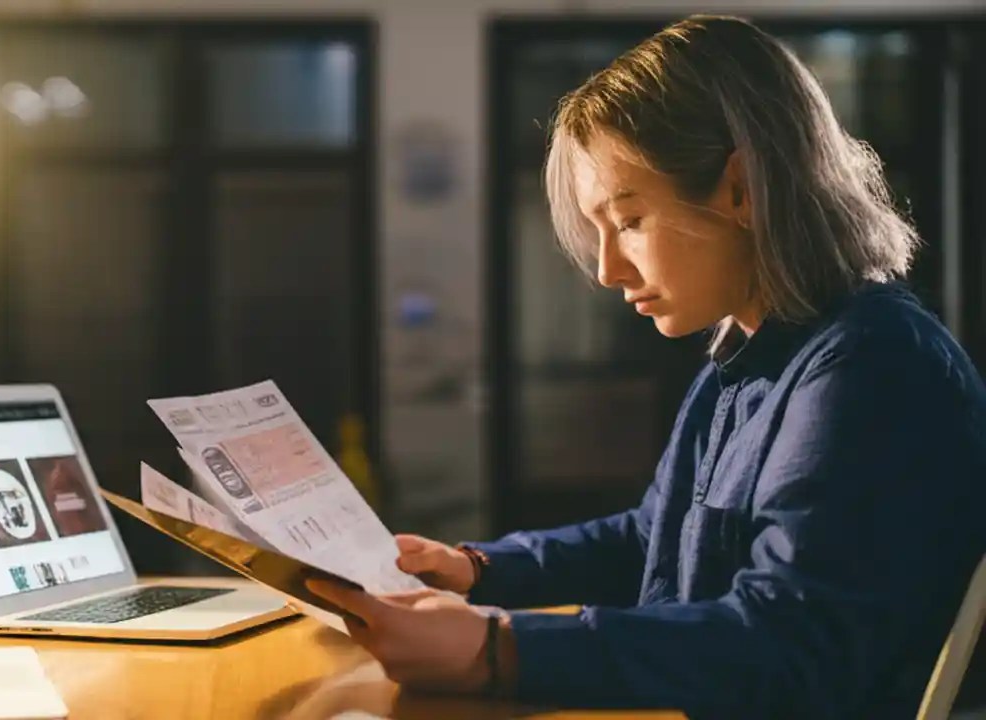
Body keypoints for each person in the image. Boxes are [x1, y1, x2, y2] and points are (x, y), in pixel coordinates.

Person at [307, 15, 986, 719]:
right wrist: (479, 570)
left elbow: (784, 644)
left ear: (741, 189)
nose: (607, 269)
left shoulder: (871, 367)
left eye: (629, 221)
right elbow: (655, 535)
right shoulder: (747, 358)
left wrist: (497, 649)